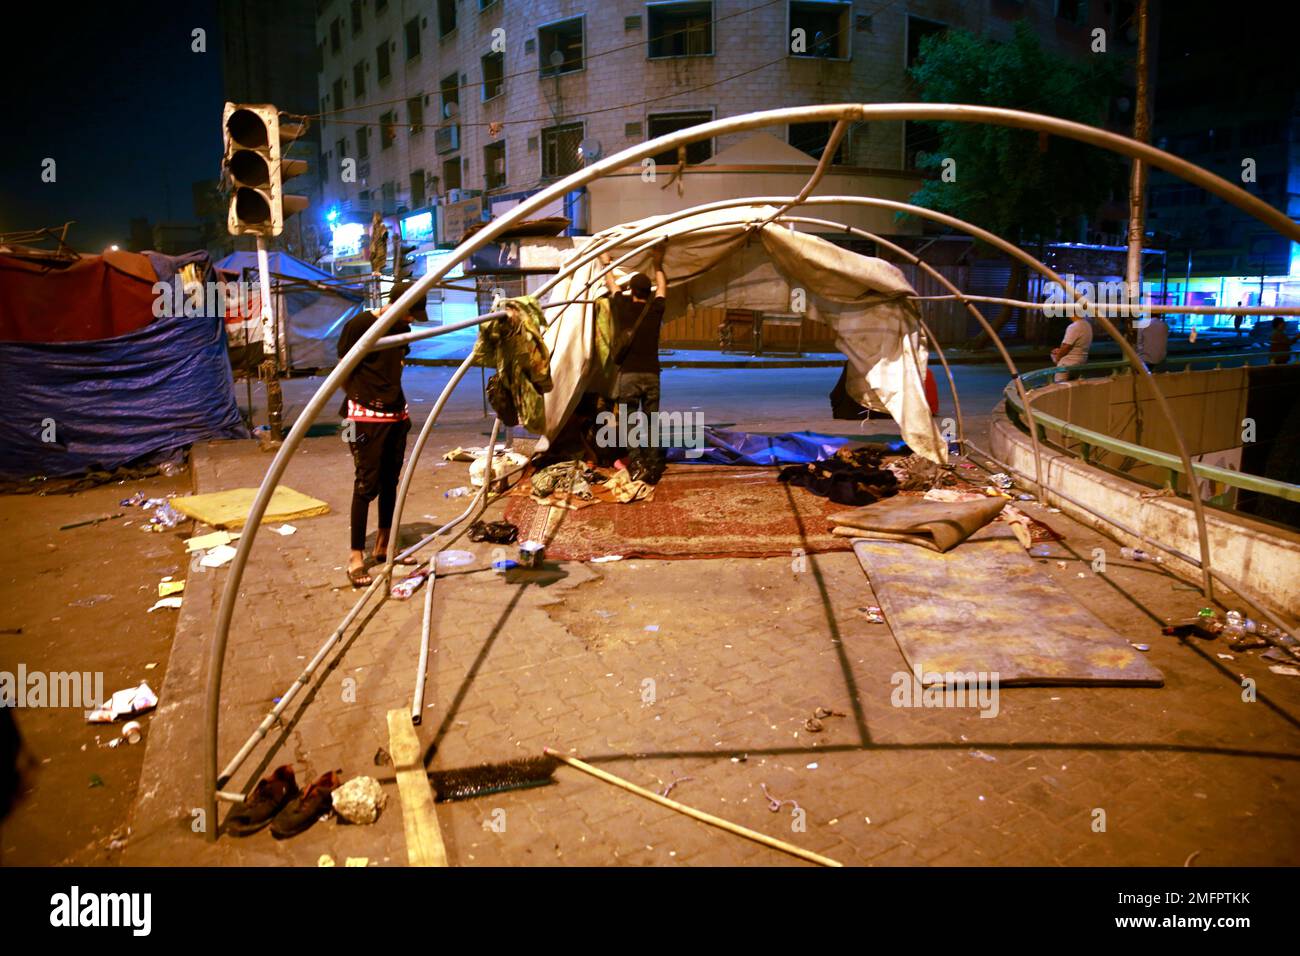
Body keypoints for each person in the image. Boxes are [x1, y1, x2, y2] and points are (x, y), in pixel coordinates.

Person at [337, 281, 425, 587]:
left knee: (390, 482)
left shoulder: (403, 330)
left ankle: (384, 545)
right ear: (399, 306)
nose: (413, 320)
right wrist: (361, 399)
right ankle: (355, 556)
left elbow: (393, 370)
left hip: (395, 415)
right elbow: (342, 370)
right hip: (360, 418)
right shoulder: (360, 325)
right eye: (411, 313)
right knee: (365, 483)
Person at [600, 244, 668, 482]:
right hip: (651, 375)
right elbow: (662, 287)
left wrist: (606, 262)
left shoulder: (622, 306)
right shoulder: (656, 309)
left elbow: (611, 284)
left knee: (628, 422)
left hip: (628, 375)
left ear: (631, 290)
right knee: (651, 422)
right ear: (648, 293)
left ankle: (637, 462)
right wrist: (658, 262)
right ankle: (652, 463)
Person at [1051, 312, 1093, 382]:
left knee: (1060, 387)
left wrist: (1057, 357)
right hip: (1081, 362)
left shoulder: (1074, 326)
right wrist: (1060, 350)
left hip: (1068, 363)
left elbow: (1066, 346)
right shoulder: (1087, 325)